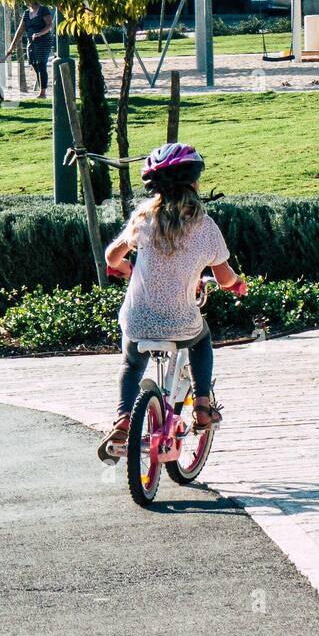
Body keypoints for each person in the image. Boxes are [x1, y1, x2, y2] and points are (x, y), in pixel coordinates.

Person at [98, 142, 249, 463]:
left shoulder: (143, 219)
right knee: (202, 339)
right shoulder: (206, 227)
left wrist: (126, 267)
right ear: (194, 183)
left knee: (131, 363)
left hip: (138, 321)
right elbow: (224, 278)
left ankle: (123, 419)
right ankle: (204, 405)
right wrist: (236, 284)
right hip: (182, 323)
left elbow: (112, 256)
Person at [3, 1, 54, 98]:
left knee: (41, 63)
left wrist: (39, 34)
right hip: (31, 42)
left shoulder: (43, 9)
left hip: (44, 41)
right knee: (35, 64)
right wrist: (12, 45)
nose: (24, 0)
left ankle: (43, 93)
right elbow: (20, 30)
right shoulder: (26, 13)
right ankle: (41, 90)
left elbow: (49, 25)